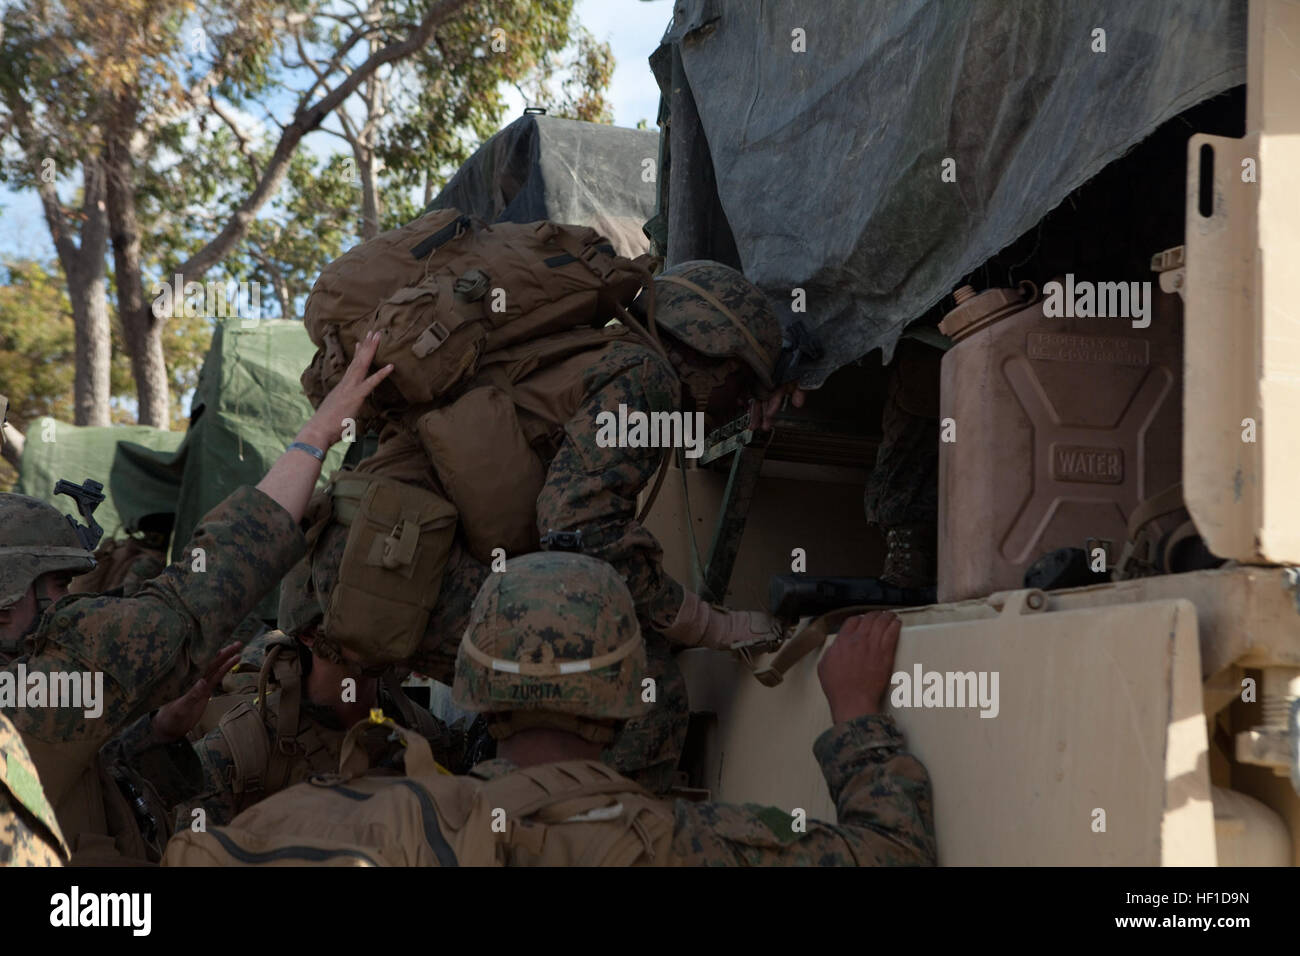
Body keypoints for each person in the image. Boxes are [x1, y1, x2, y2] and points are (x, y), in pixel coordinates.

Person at [397, 259, 806, 792]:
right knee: (640, 682)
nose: (738, 406)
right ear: (714, 361)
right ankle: (595, 839)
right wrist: (701, 623)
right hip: (402, 561)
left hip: (397, 550)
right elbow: (577, 526)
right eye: (742, 388)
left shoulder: (605, 354)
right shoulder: (646, 376)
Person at [0, 332, 394, 864]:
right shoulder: (38, 696)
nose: (72, 605)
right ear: (8, 597)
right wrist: (318, 433)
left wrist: (158, 732)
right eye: (58, 587)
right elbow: (196, 595)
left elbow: (78, 784)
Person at [444, 551, 936, 865]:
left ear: (474, 686)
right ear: (631, 693)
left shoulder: (396, 819)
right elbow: (895, 856)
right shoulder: (693, 842)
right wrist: (856, 715)